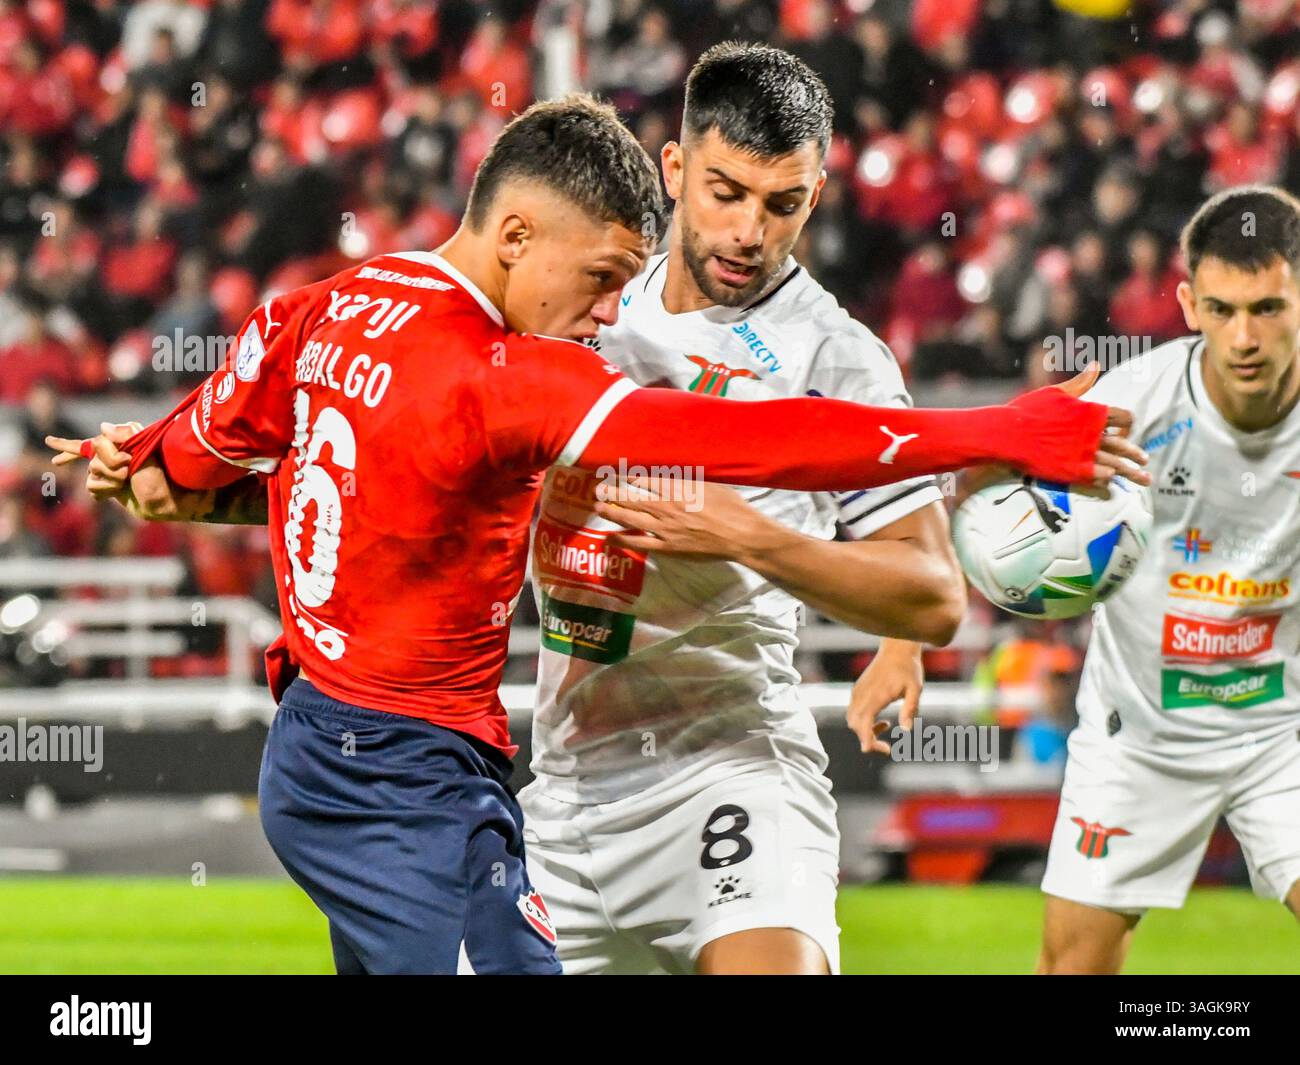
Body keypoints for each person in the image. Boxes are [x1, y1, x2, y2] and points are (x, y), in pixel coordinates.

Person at [51, 95, 1143, 976]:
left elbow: (193, 482)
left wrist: (135, 463)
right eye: (602, 279)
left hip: (657, 757)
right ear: (666, 177)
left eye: (786, 201)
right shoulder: (512, 372)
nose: (610, 314)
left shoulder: (321, 307)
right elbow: (753, 444)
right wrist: (1000, 427)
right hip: (464, 771)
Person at [517, 42, 962, 976]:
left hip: (730, 766)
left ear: (816, 196)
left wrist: (746, 535)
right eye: (726, 192)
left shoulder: (834, 360)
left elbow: (930, 590)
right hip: (562, 787)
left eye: (783, 204)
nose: (750, 232)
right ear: (673, 170)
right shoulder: (588, 302)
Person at [1038, 185, 1300, 974]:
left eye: (1268, 308)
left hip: (1283, 732)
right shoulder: (1129, 407)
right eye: (1221, 309)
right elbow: (1000, 500)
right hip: (1138, 736)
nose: (1244, 336)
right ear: (1187, 304)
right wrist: (905, 646)